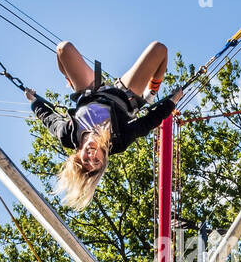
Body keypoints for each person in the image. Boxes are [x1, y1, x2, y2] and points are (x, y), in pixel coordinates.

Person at [26, 40, 183, 210]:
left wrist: (34, 101)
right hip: (126, 95)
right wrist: (172, 101)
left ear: (78, 154)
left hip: (92, 90)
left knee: (63, 49)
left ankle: (71, 80)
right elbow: (147, 124)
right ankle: (152, 91)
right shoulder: (117, 141)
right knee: (159, 49)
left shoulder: (68, 135)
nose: (91, 155)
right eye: (96, 161)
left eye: (86, 160)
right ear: (104, 159)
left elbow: (49, 119)